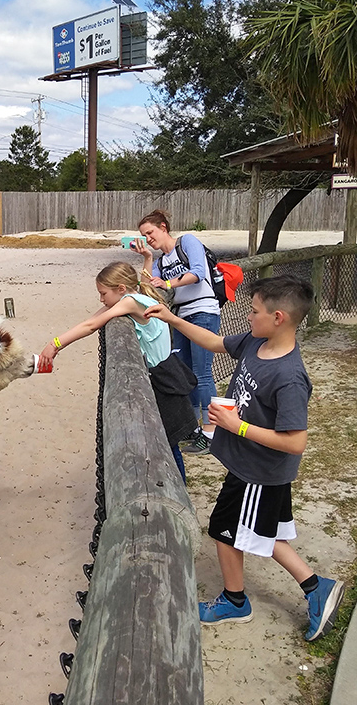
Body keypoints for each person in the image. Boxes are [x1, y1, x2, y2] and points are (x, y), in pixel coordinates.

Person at [145, 274, 344, 640]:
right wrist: (172, 320)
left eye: (253, 311)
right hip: (249, 466)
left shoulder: (289, 376)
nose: (247, 317)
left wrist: (236, 426)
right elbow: (217, 342)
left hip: (260, 471)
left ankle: (235, 602)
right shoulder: (256, 341)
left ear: (279, 317)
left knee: (225, 529)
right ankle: (318, 588)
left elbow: (295, 441)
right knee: (260, 534)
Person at [39, 262, 194, 482]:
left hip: (163, 381)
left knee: (168, 443)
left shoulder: (130, 302)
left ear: (121, 288)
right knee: (166, 442)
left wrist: (55, 344)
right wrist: (56, 343)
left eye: (103, 293)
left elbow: (92, 326)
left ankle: (180, 490)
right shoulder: (136, 297)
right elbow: (91, 321)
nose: (101, 299)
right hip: (167, 373)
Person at [130, 209, 220, 455]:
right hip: (180, 316)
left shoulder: (188, 241)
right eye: (144, 235)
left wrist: (169, 283)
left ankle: (211, 433)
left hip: (203, 312)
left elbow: (198, 273)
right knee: (184, 372)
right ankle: (190, 428)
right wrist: (147, 258)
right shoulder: (160, 261)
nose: (148, 238)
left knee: (202, 373)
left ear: (163, 227)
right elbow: (147, 288)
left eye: (150, 232)